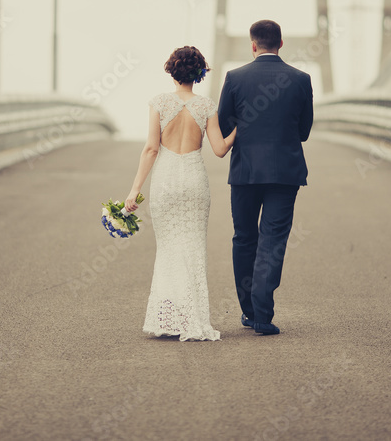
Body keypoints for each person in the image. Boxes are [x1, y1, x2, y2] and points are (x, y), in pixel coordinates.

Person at [125, 46, 236, 341]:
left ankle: (169, 318)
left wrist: (135, 190)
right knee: (193, 247)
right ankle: (193, 318)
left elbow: (151, 149)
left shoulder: (159, 103)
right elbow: (220, 149)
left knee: (168, 248)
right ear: (199, 74)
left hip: (165, 180)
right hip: (194, 180)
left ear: (172, 71)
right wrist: (238, 129)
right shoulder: (207, 106)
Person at [217, 20, 313, 335]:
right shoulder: (301, 80)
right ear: (281, 44)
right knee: (271, 241)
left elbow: (223, 124)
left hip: (244, 172)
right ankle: (262, 314)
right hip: (284, 174)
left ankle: (248, 311)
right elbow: (304, 132)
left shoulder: (234, 78)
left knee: (244, 238)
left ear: (253, 45)